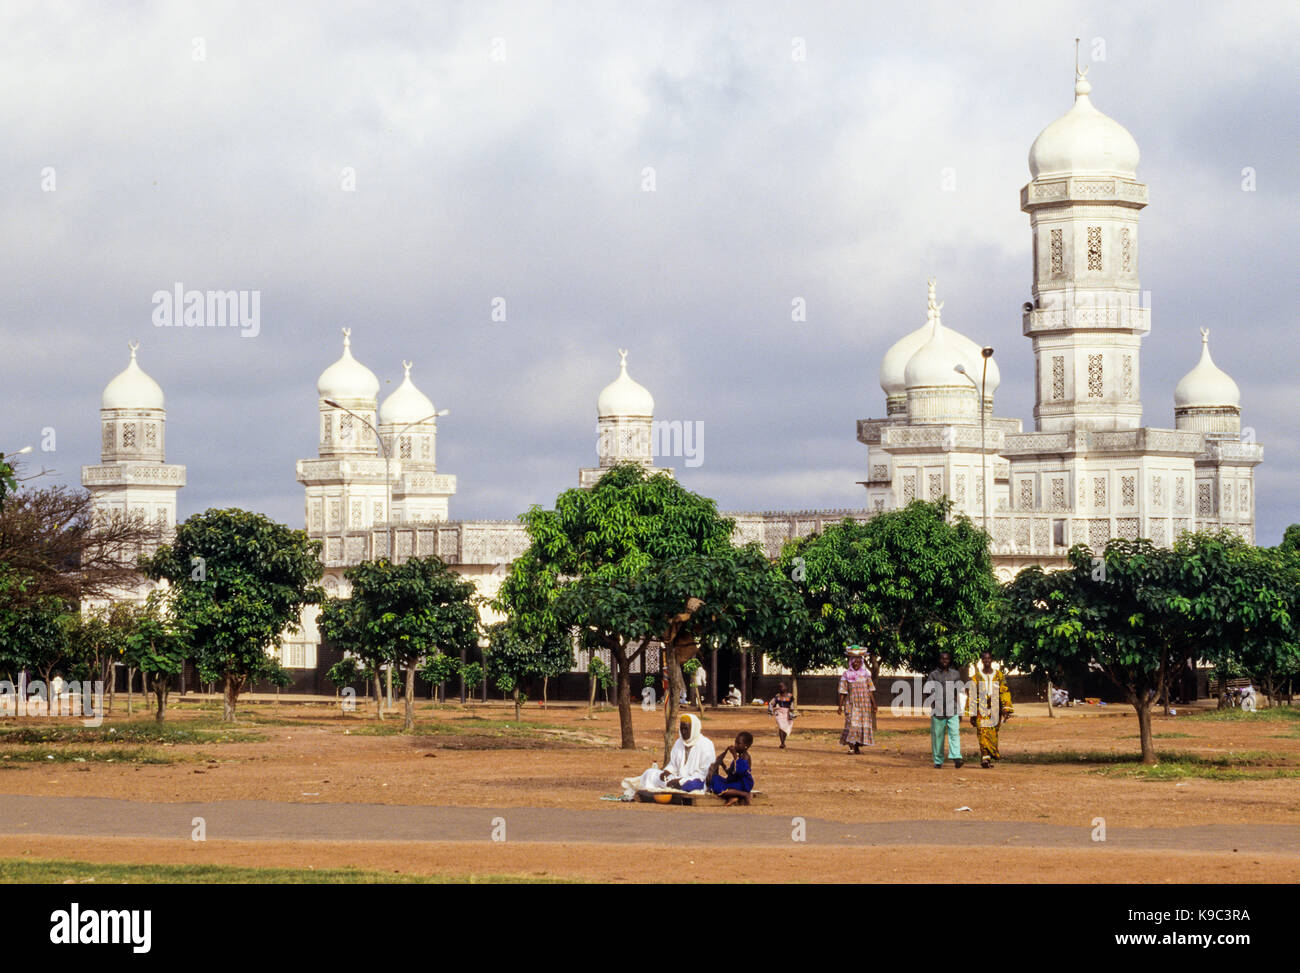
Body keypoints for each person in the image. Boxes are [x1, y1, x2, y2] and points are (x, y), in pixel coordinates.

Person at [620, 713, 716, 795]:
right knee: (649, 773)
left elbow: (704, 773)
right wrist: (667, 772)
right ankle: (671, 787)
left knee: (691, 786)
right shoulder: (679, 742)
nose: (683, 732)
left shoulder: (706, 744)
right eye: (681, 729)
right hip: (675, 779)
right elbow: (673, 765)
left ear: (694, 729)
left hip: (695, 781)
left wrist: (681, 781)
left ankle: (674, 787)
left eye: (686, 729)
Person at [966, 650, 1014, 768]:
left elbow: (1004, 691)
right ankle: (985, 758)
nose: (987, 660)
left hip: (995, 708)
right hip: (981, 708)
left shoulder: (999, 675)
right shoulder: (976, 677)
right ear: (982, 660)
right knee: (982, 731)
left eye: (989, 658)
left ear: (991, 660)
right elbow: (972, 694)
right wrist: (972, 713)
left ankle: (989, 756)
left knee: (992, 732)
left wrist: (1006, 707)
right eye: (984, 658)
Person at [926, 650, 965, 769]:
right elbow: (927, 692)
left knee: (954, 734)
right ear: (939, 660)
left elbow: (959, 692)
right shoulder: (933, 675)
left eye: (947, 659)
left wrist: (960, 710)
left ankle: (956, 757)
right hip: (937, 711)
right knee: (938, 736)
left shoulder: (955, 674)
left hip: (952, 709)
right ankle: (938, 761)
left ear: (950, 660)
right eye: (942, 659)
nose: (945, 661)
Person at [837, 647, 875, 754]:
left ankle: (857, 747)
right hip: (851, 704)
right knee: (851, 725)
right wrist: (840, 706)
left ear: (861, 662)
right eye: (854, 662)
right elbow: (842, 692)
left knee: (861, 725)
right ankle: (851, 747)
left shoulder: (866, 674)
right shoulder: (846, 675)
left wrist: (874, 705)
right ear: (851, 662)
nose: (856, 664)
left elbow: (870, 690)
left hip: (864, 704)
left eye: (859, 662)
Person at [708, 731, 755, 806]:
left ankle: (745, 794)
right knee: (714, 778)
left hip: (743, 784)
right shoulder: (739, 756)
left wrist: (734, 755)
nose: (735, 745)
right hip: (734, 782)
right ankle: (733, 797)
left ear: (746, 746)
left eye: (738, 744)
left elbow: (739, 771)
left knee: (719, 788)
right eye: (735, 743)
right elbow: (730, 773)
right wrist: (722, 764)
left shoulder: (746, 757)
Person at [768, 682, 795, 748]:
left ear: (786, 687)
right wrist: (770, 710)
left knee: (785, 727)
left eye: (782, 686)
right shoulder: (777, 696)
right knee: (781, 726)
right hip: (779, 712)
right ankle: (782, 743)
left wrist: (792, 710)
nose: (781, 688)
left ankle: (783, 741)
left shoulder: (790, 696)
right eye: (780, 687)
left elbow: (792, 704)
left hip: (787, 713)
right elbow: (771, 703)